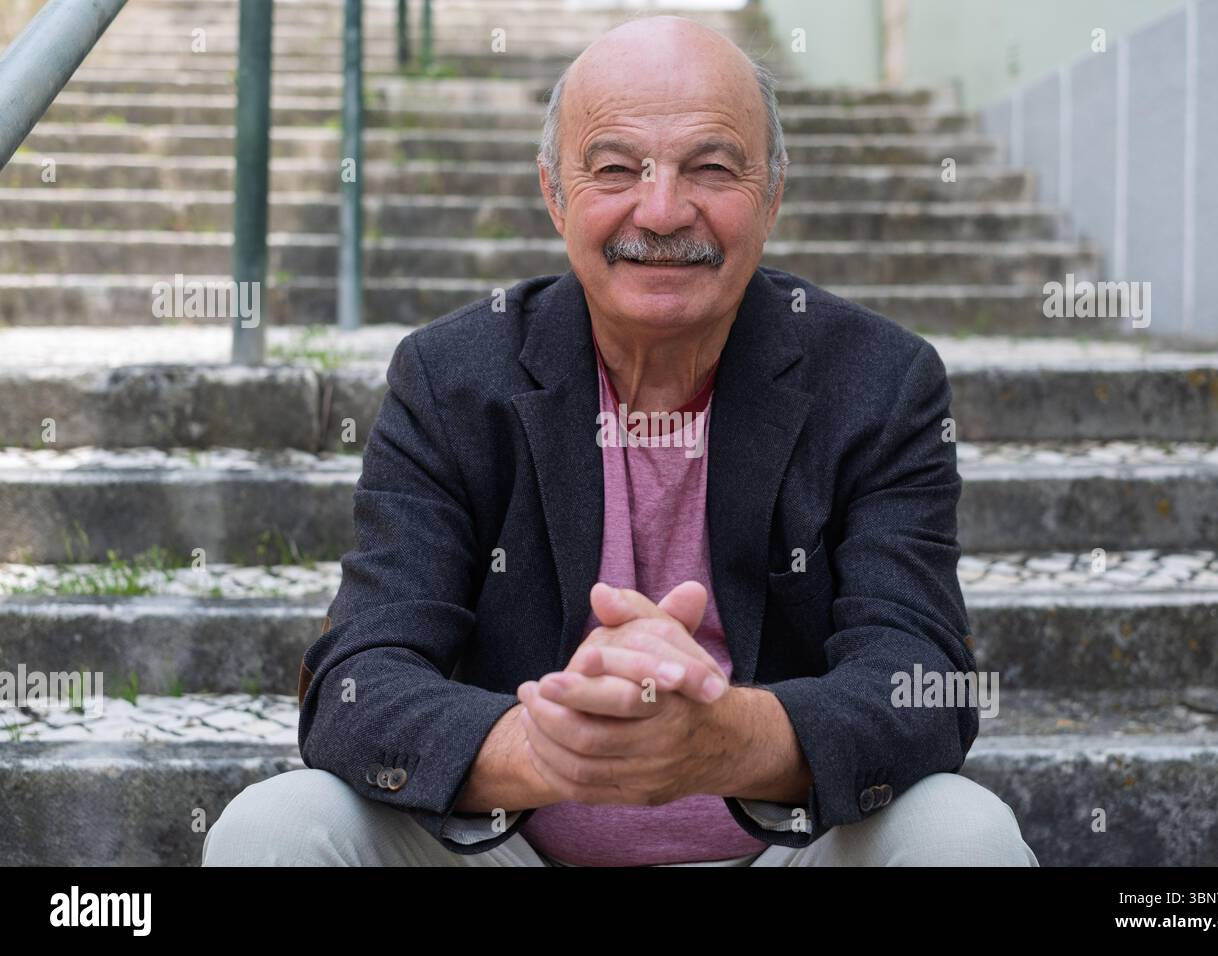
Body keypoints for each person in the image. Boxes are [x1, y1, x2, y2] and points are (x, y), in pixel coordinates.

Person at [203, 14, 1038, 868]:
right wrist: (545, 747)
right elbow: (358, 681)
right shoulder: (450, 378)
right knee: (274, 829)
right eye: (614, 169)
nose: (664, 209)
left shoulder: (881, 381)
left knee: (961, 835)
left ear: (774, 191)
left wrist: (723, 739)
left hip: (783, 853)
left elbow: (922, 683)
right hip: (513, 852)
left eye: (711, 168)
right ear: (553, 193)